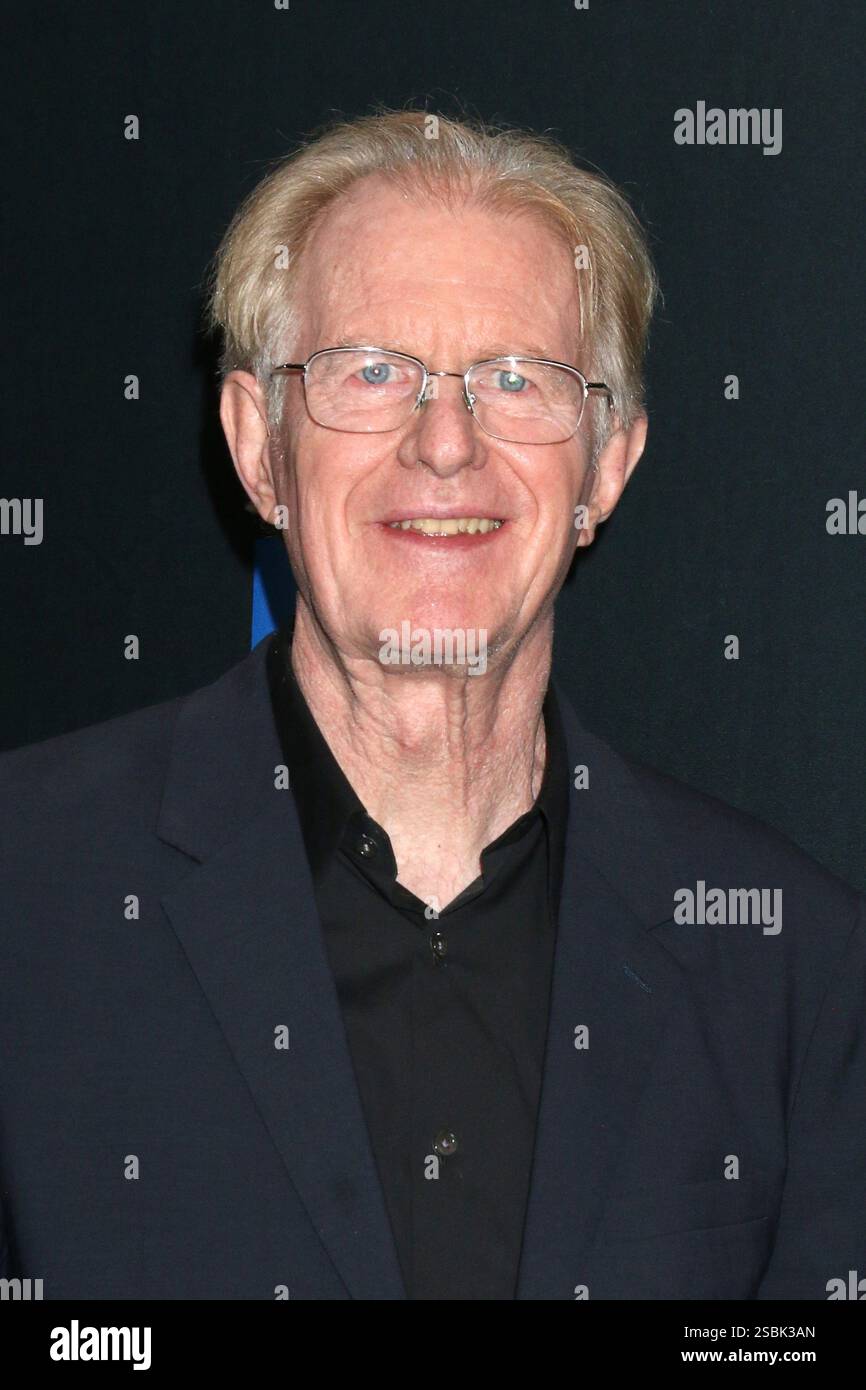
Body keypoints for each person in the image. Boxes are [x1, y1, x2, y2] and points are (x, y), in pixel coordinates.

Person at [1, 110, 863, 1301]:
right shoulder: (26, 892)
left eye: (515, 378)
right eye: (371, 372)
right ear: (258, 448)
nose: (445, 442)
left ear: (605, 465)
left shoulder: (791, 968)